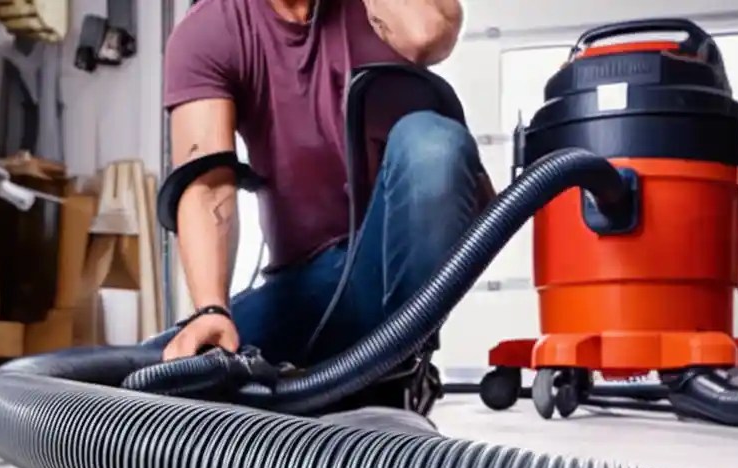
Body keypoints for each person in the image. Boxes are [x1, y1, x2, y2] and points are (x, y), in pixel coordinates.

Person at [159, 0, 490, 404]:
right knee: (161, 371)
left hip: (384, 263)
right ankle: (357, 377)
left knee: (433, 145)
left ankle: (398, 369)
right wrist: (211, 309)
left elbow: (426, 33)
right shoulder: (214, 27)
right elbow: (208, 183)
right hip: (303, 286)